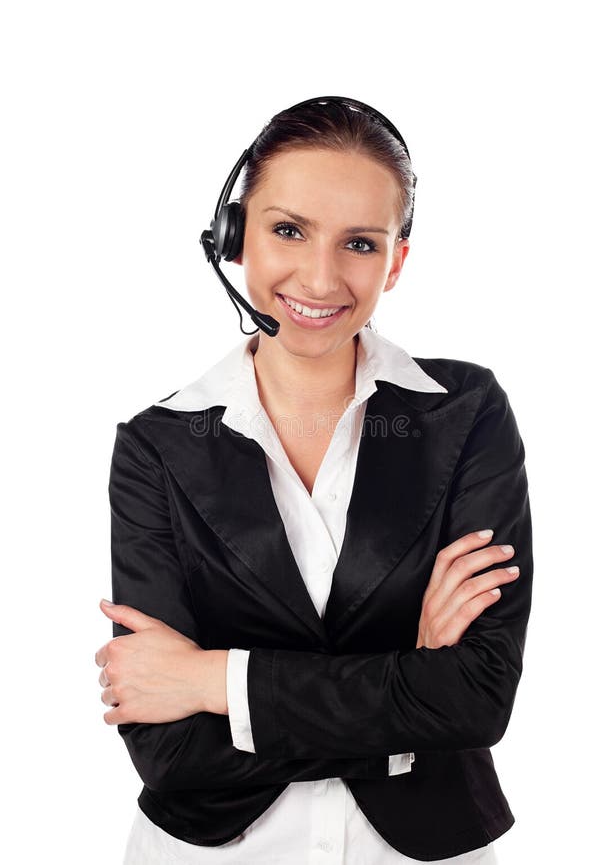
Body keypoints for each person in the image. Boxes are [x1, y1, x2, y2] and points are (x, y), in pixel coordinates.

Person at [95, 97, 533, 863]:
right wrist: (408, 691)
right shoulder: (157, 448)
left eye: (359, 242)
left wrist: (213, 680)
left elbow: (475, 698)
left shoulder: (465, 415)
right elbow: (171, 754)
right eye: (288, 230)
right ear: (235, 238)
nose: (321, 277)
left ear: (396, 258)